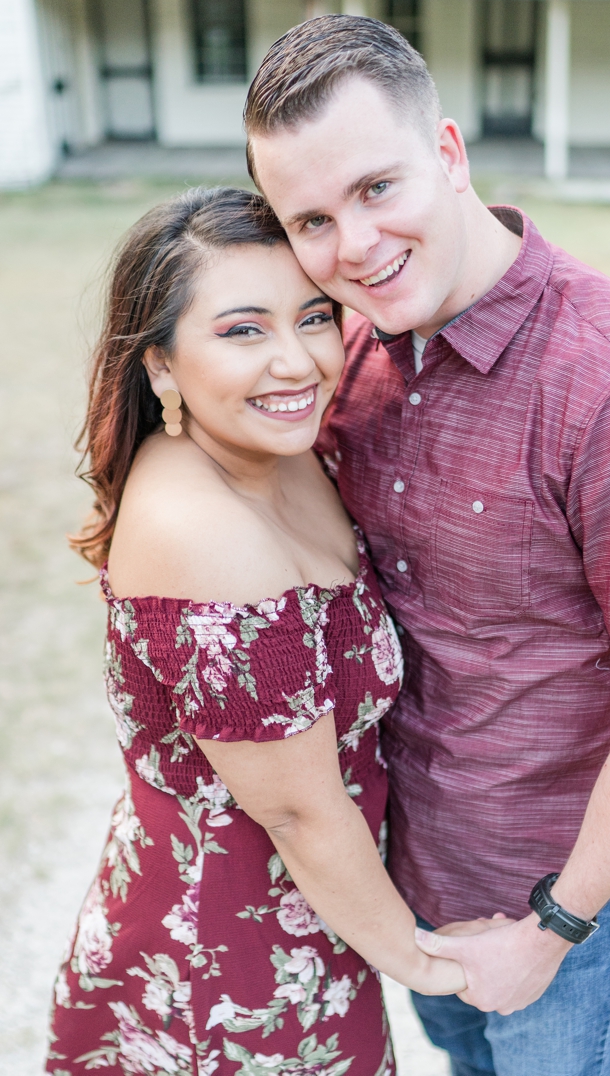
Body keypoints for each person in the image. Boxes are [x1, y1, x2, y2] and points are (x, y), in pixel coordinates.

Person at [244, 15, 610, 1076]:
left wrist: (551, 929)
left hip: (552, 903)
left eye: (379, 188)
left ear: (449, 154)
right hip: (411, 878)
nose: (355, 247)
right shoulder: (353, 354)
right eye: (313, 219)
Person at [47, 187, 469, 1076]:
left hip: (307, 925)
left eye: (313, 317)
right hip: (226, 970)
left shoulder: (283, 454)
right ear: (160, 366)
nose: (297, 362)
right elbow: (297, 806)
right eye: (243, 330)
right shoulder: (200, 534)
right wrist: (436, 966)